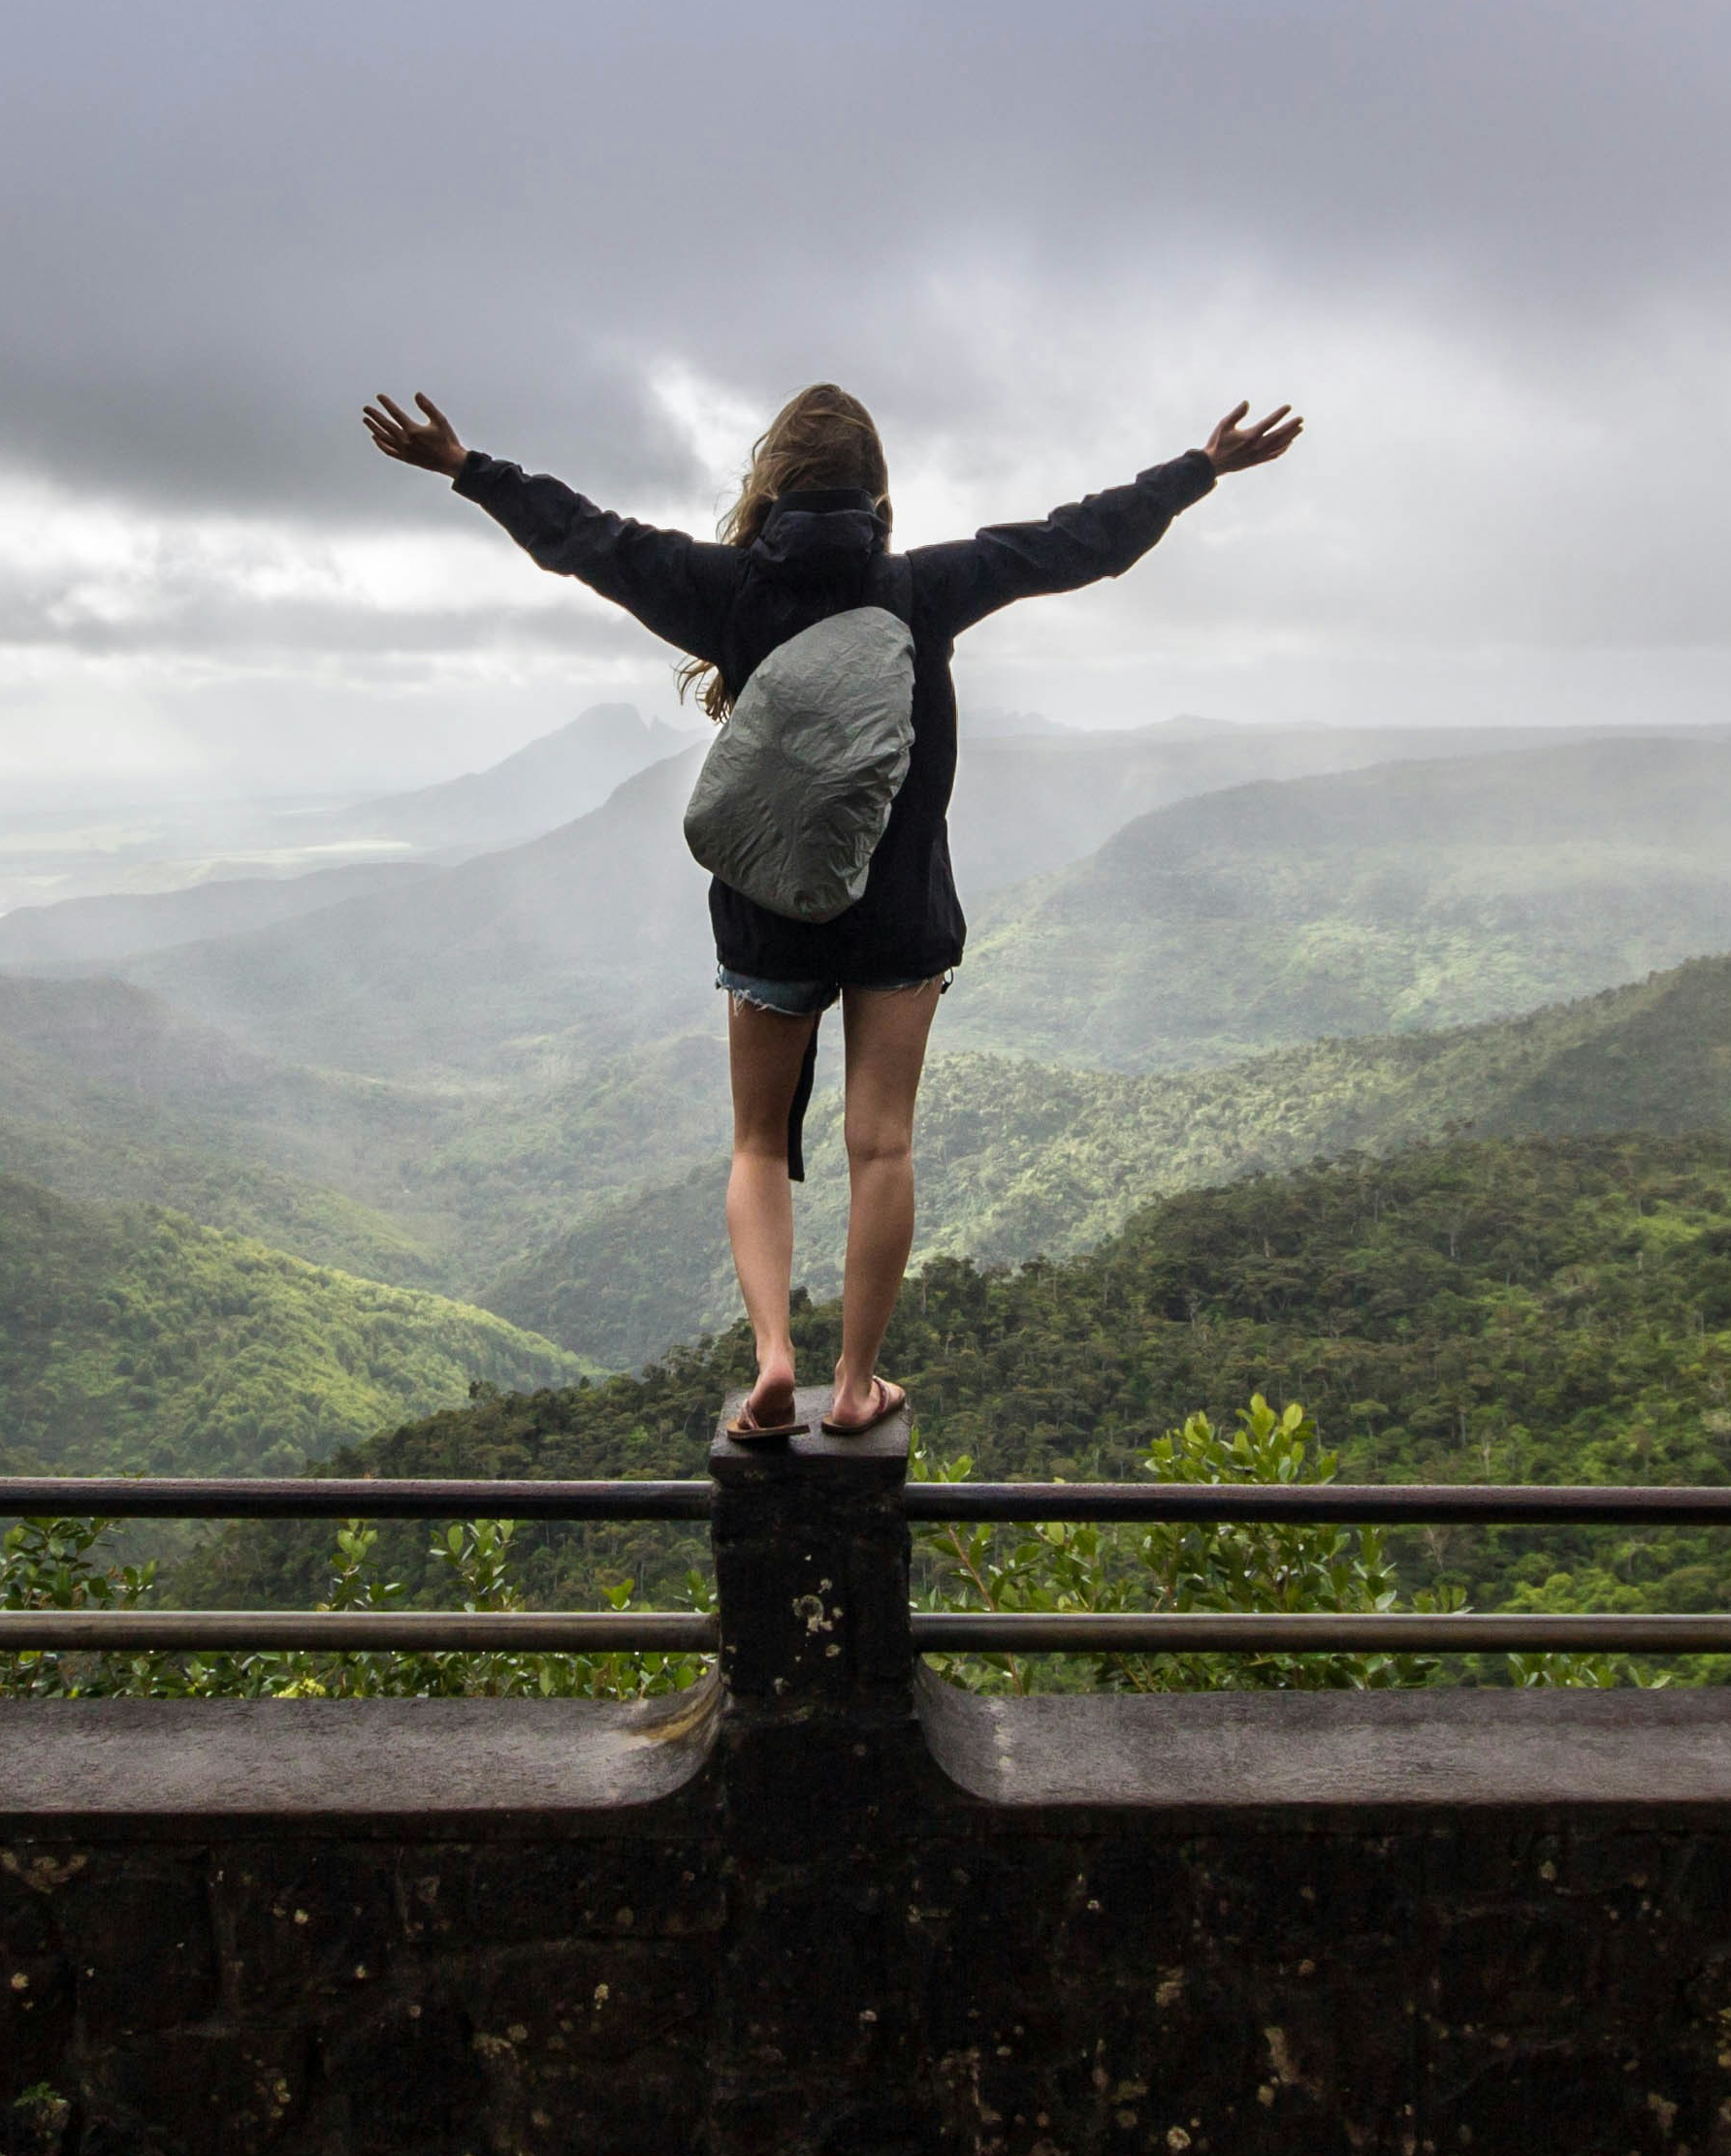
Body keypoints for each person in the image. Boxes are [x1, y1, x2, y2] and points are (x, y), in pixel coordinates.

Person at [362, 379, 1303, 1439]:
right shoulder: (926, 587)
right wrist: (1201, 468)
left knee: (759, 1142)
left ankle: (773, 1360)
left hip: (770, 913)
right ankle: (855, 1384)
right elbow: (1076, 541)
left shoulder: (718, 589)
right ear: (876, 491)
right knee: (881, 1145)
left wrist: (467, 466)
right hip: (900, 918)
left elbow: (586, 539)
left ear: (772, 486)